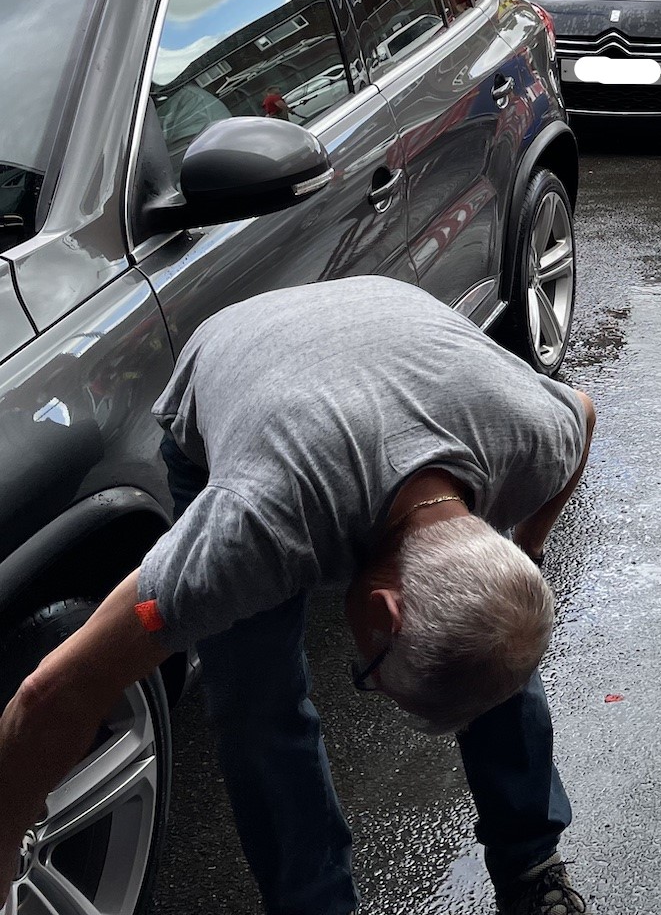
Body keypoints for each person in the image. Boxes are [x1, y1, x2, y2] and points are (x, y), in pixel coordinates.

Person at [0, 278, 599, 915]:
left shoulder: (534, 440)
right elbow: (53, 691)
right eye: (373, 676)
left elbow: (582, 414)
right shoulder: (252, 534)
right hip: (243, 354)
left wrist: (526, 555)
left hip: (386, 329)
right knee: (259, 703)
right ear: (380, 610)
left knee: (495, 637)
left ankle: (530, 862)